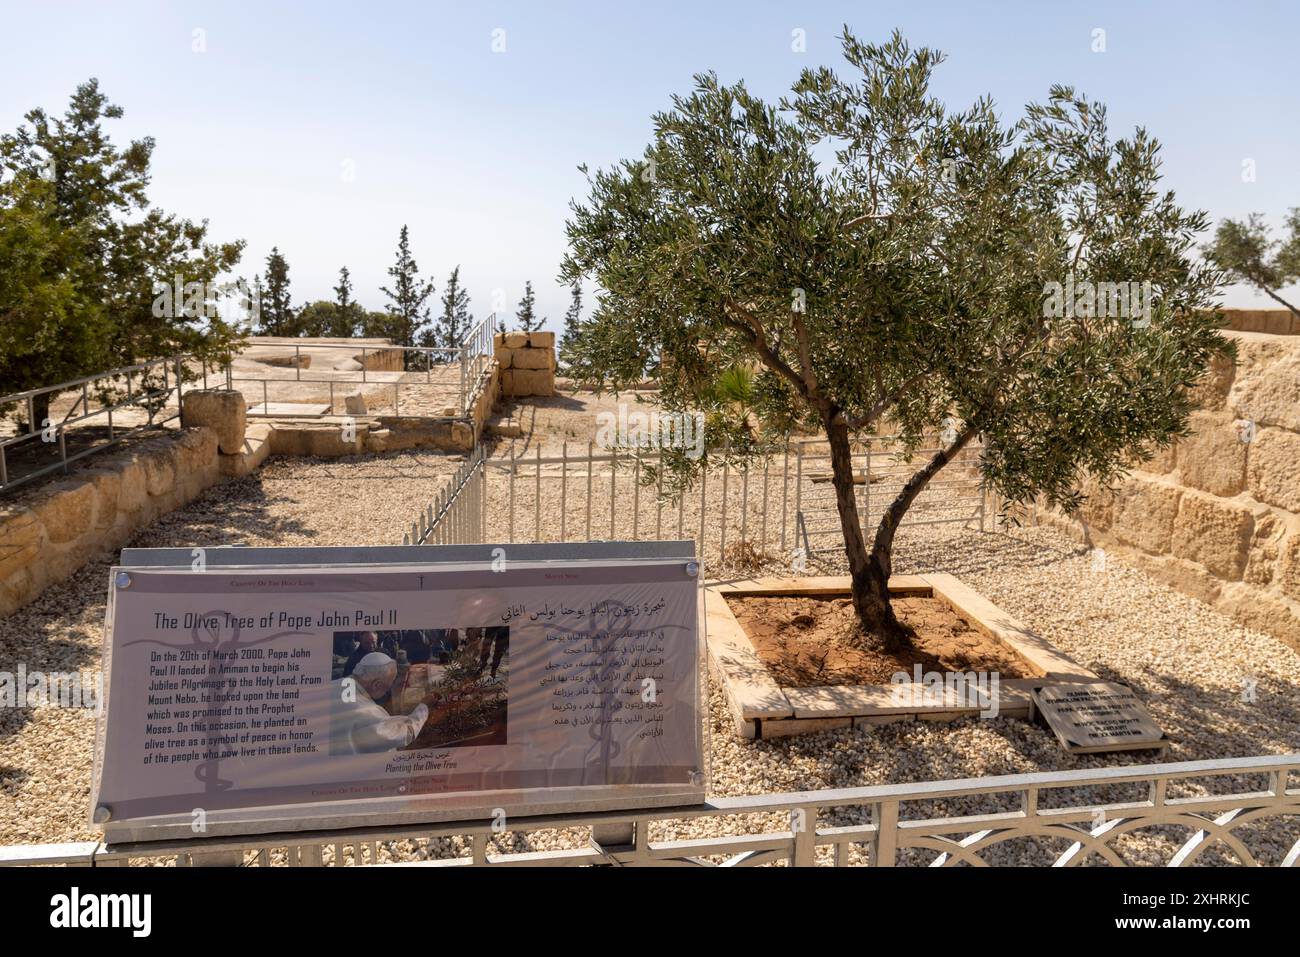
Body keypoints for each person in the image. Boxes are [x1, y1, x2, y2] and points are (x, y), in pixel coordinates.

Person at [329, 652, 430, 754]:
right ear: (376, 685)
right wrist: (424, 707)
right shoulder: (367, 712)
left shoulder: (332, 685)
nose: (388, 690)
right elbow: (404, 733)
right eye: (389, 685)